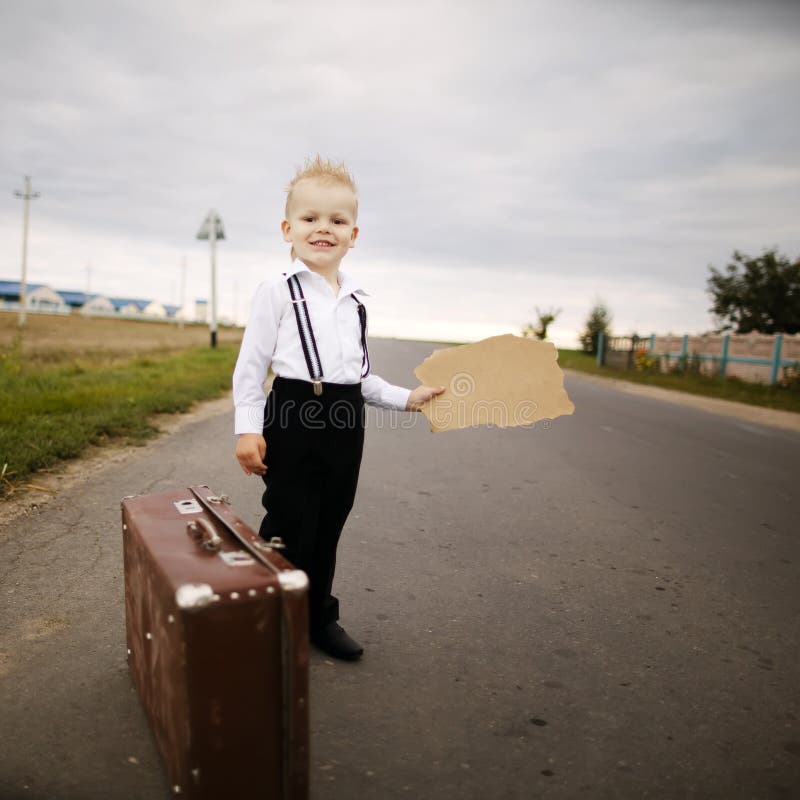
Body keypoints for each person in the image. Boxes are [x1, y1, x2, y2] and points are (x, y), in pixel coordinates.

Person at [233, 156, 444, 660]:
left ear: (354, 233)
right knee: (287, 522)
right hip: (291, 410)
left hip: (346, 418)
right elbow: (251, 367)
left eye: (337, 220)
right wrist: (247, 429)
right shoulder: (276, 290)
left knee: (329, 522)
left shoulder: (356, 300)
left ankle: (316, 619)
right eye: (310, 218)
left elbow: (360, 375)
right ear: (288, 228)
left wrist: (406, 399)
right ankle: (269, 620)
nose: (323, 229)